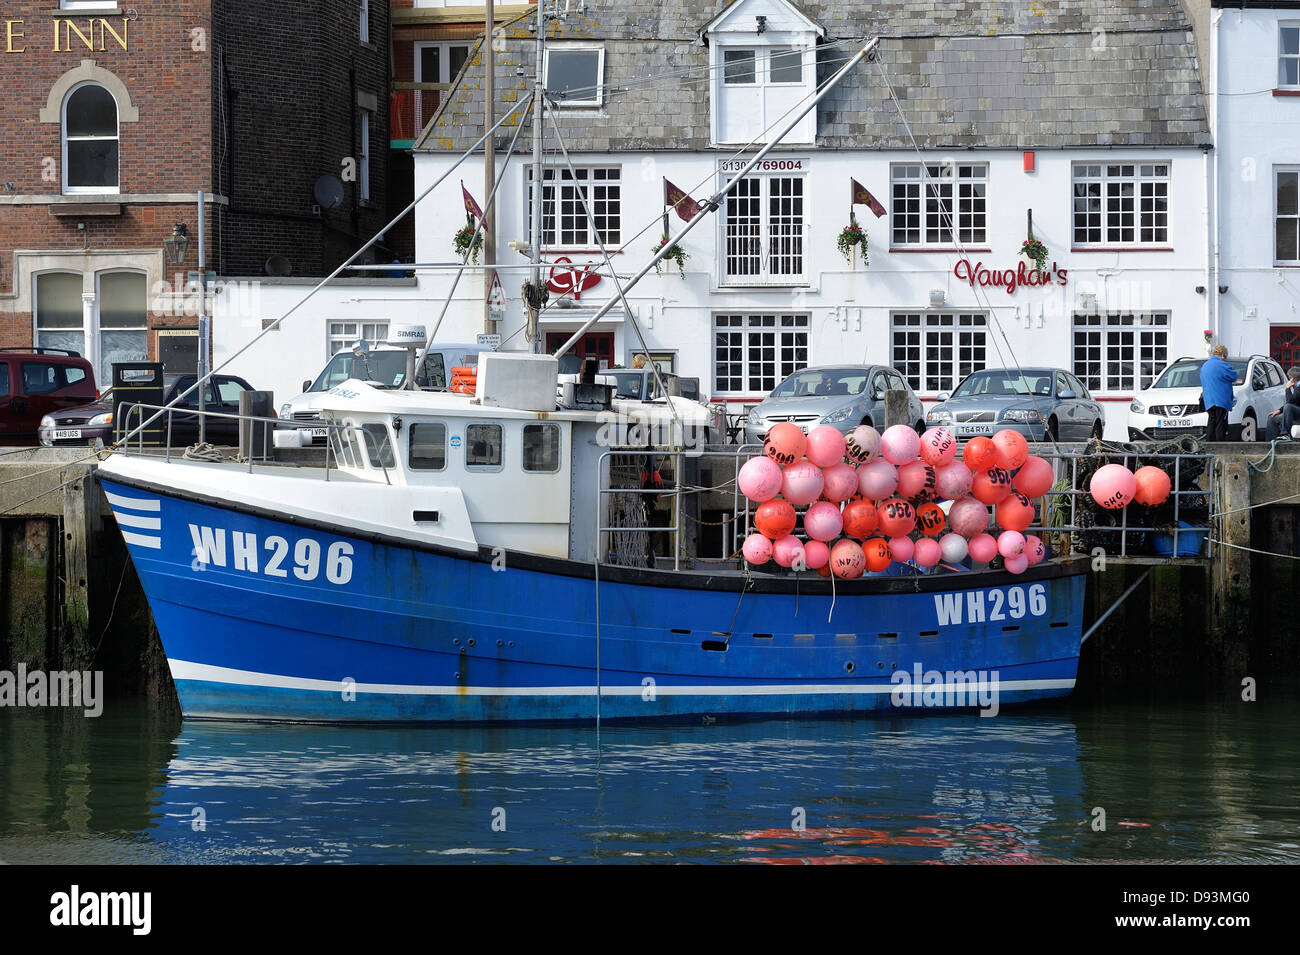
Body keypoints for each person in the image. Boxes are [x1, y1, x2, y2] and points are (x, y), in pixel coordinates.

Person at [1199, 345, 1237, 442]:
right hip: (1220, 399)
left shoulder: (1205, 365)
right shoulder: (1222, 365)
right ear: (1223, 355)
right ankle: (1219, 447)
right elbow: (1234, 376)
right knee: (1221, 423)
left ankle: (1209, 446)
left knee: (1211, 422)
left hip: (1208, 400)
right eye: (1225, 357)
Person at [1266, 366, 1300, 441]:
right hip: (1295, 412)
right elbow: (1293, 401)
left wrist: (1287, 388)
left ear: (1292, 379)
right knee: (1272, 418)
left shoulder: (1299, 388)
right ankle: (1270, 443)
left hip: (1297, 413)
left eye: (1289, 378)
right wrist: (1279, 410)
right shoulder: (1296, 387)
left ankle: (1285, 434)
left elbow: (1290, 401)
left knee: (1288, 407)